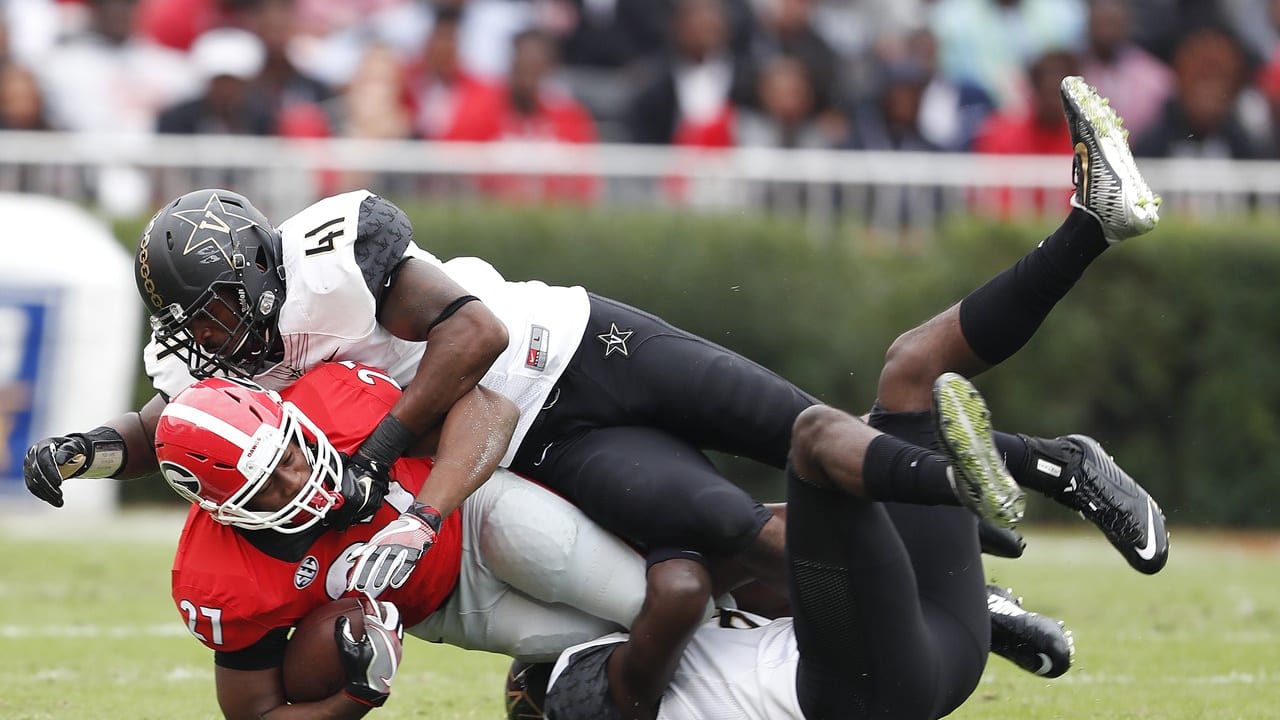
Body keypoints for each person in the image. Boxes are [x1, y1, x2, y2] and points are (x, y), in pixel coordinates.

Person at [24, 77, 1168, 611]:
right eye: (188, 315)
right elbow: (164, 424)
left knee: (807, 433)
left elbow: (470, 335)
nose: (200, 336)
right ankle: (985, 547)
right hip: (529, 450)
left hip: (572, 346)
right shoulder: (213, 355)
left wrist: (384, 449)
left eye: (210, 309)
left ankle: (1042, 468)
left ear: (256, 275)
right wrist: (89, 447)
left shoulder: (330, 250)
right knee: (735, 533)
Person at [538, 372, 1071, 720]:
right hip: (844, 682)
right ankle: (952, 487)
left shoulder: (670, 678)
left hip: (902, 666)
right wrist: (664, 520)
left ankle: (944, 508)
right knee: (817, 441)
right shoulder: (620, 685)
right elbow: (683, 586)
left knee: (912, 380)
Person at [159, 360, 656, 719]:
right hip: (445, 608)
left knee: (647, 605)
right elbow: (256, 713)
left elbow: (489, 409)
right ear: (219, 510)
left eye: (288, 457)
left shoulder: (333, 401)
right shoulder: (222, 582)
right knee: (613, 641)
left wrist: (424, 516)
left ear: (289, 421)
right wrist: (353, 697)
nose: (297, 483)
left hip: (472, 512)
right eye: (264, 487)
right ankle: (538, 685)